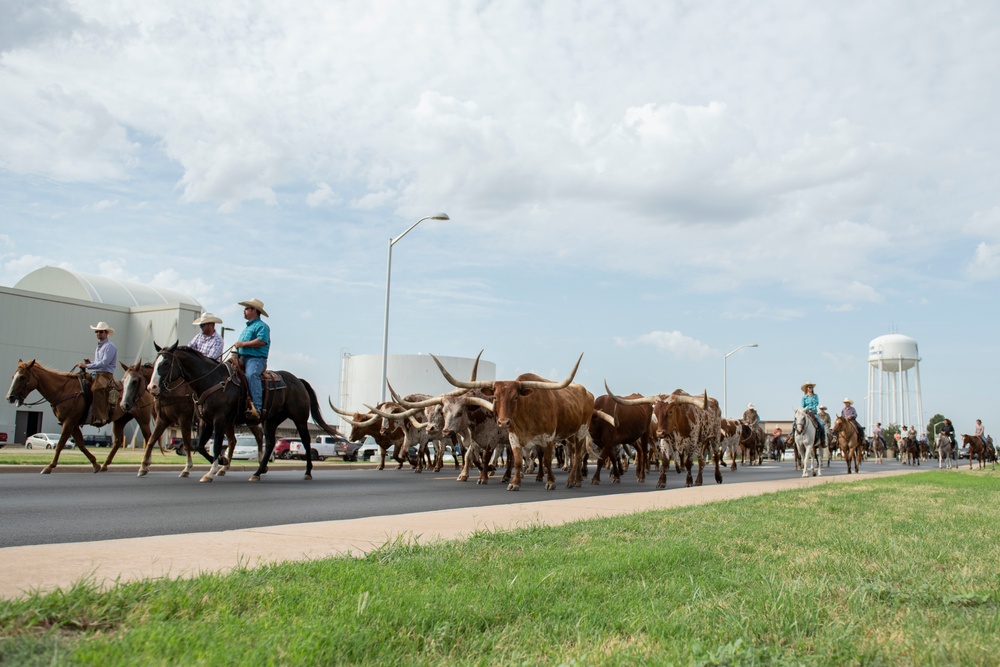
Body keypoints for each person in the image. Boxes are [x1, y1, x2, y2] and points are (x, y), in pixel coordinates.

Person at [75, 321, 119, 426]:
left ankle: (101, 417)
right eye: (97, 332)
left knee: (97, 389)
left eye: (101, 332)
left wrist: (87, 366)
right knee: (81, 382)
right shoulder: (99, 346)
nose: (98, 333)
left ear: (106, 333)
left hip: (105, 374)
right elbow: (99, 362)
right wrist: (91, 363)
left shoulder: (110, 346)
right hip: (97, 373)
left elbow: (104, 363)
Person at [234, 298, 270, 419]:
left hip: (256, 359)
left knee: (251, 375)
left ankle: (257, 408)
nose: (244, 311)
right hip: (242, 358)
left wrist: (242, 344)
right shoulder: (247, 328)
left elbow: (262, 341)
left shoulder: (262, 326)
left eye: (246, 308)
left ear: (254, 310)